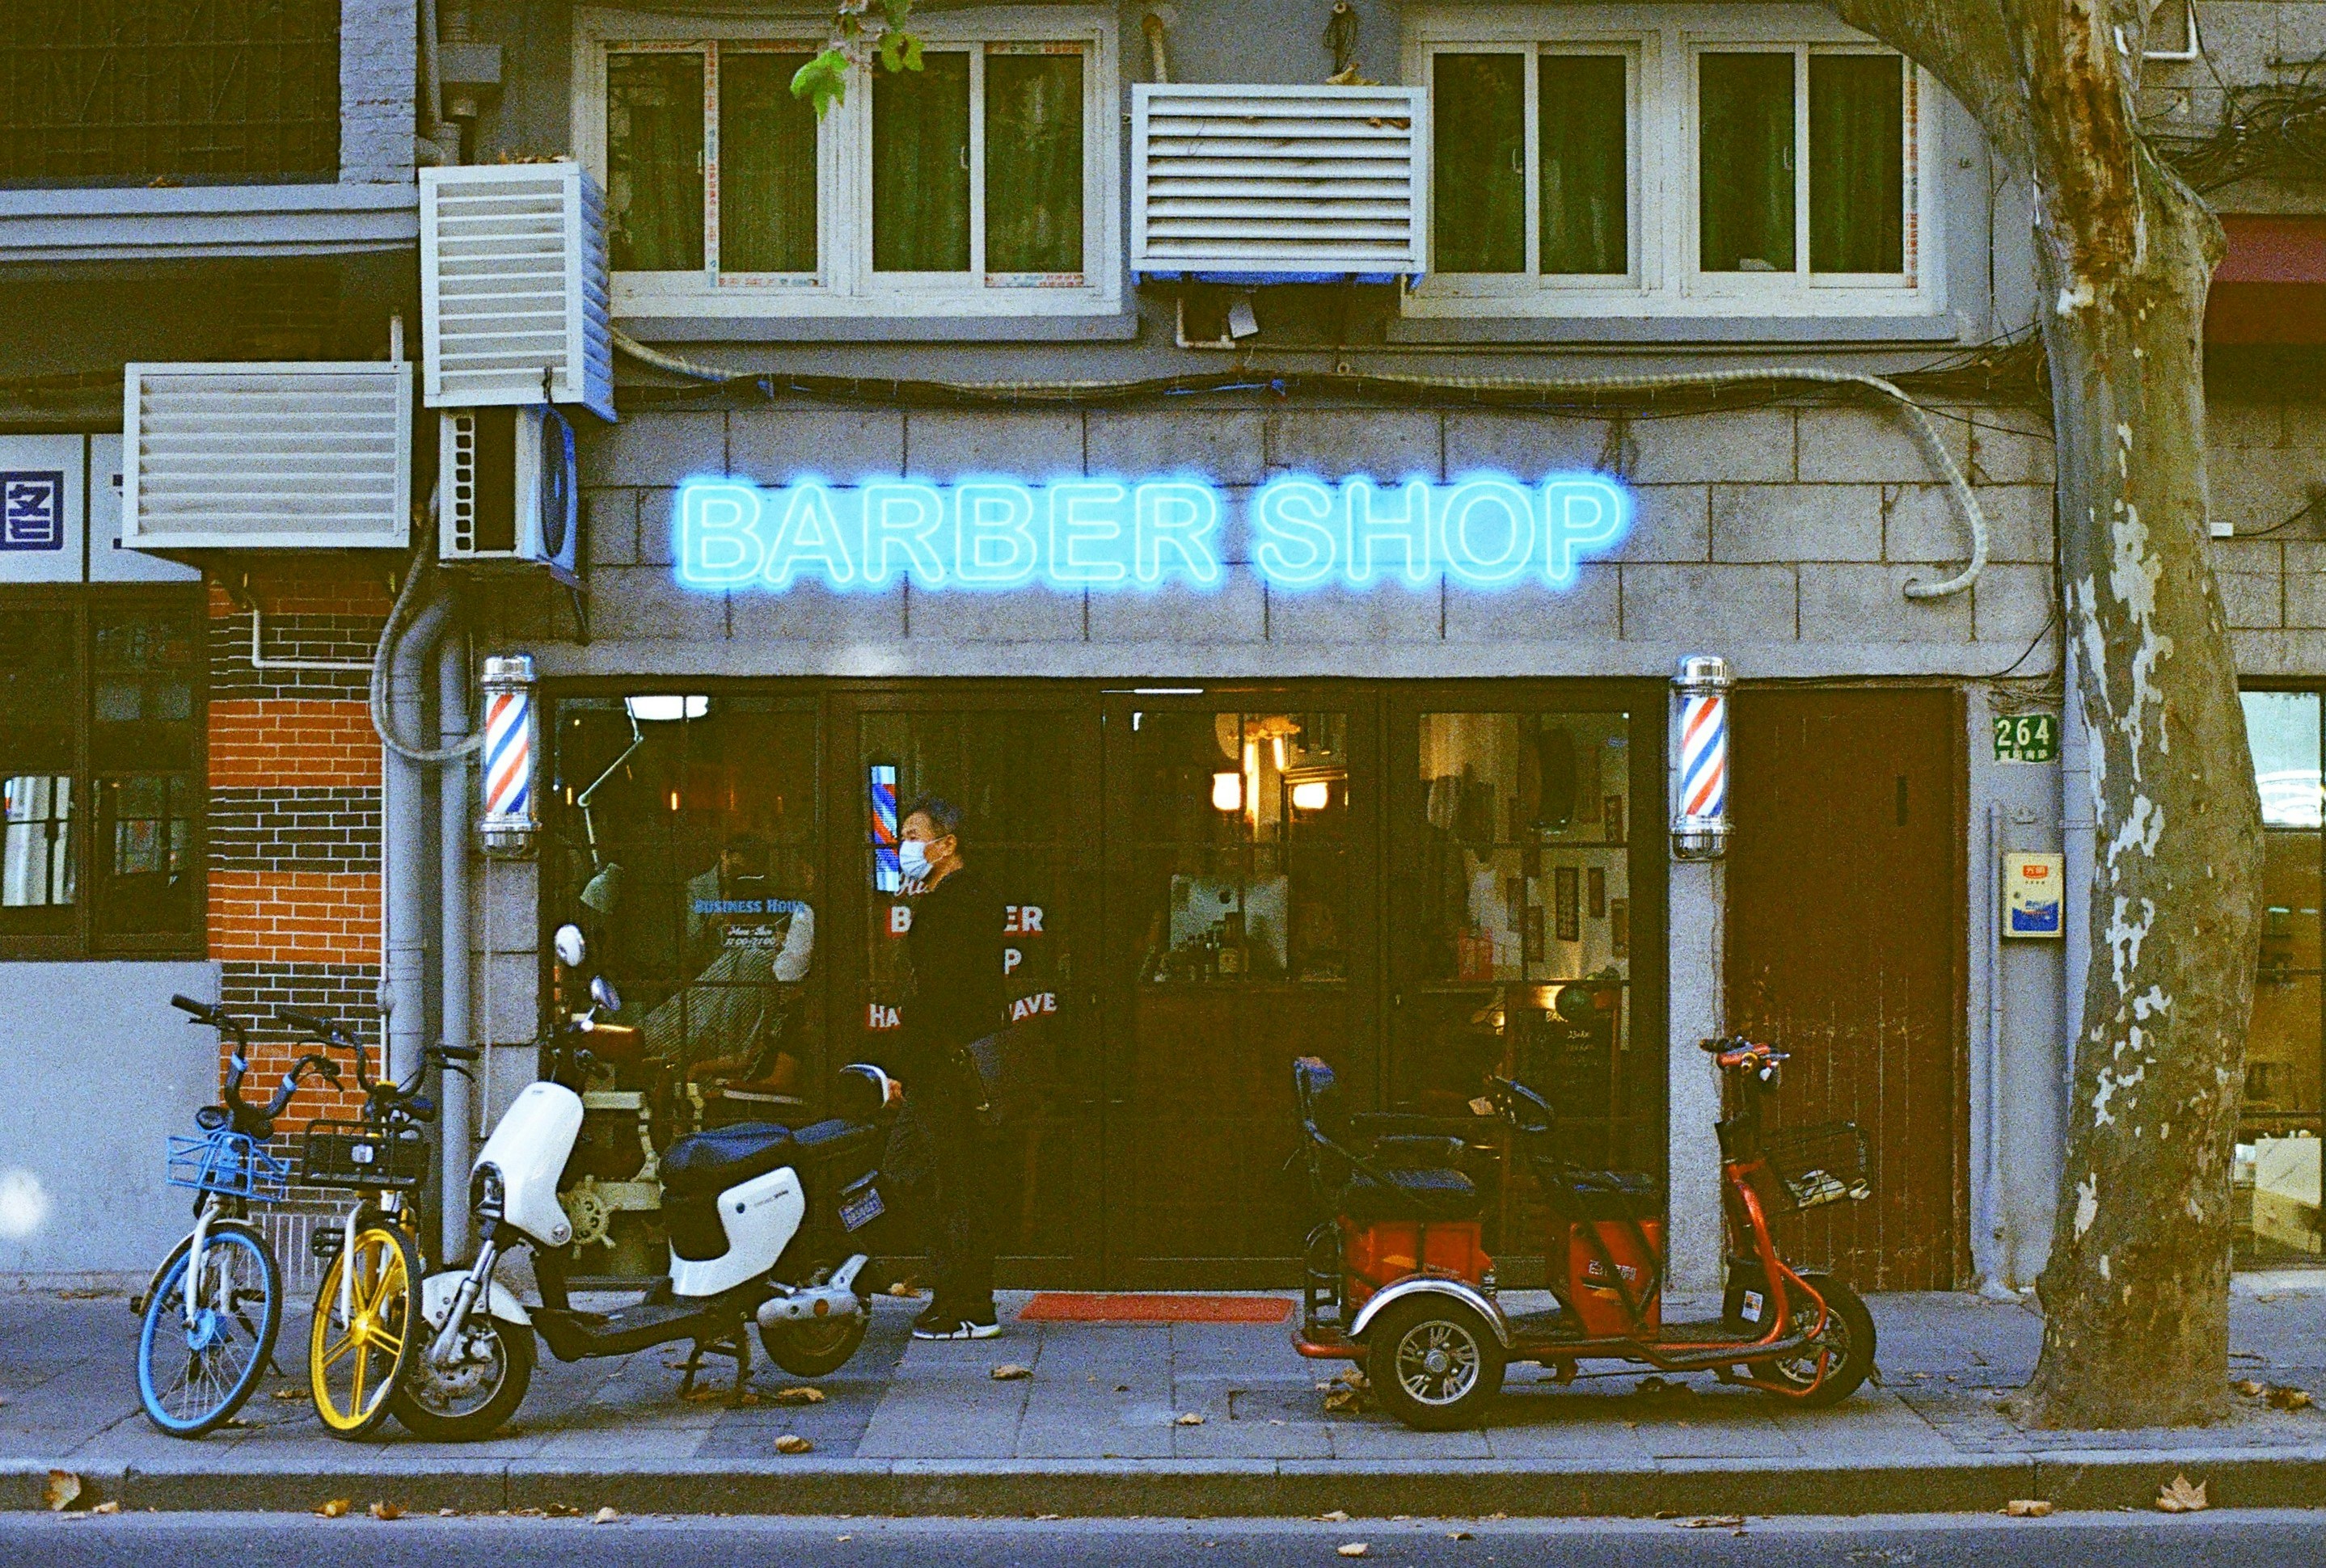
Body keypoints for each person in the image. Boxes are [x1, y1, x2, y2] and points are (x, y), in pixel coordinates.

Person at [886, 795, 1006, 1340]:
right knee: (914, 1170)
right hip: (935, 1063)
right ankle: (956, 1291)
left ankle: (966, 1304)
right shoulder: (946, 899)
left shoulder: (961, 901)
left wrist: (913, 1048)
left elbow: (943, 990)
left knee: (952, 1181)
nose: (904, 845)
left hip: (948, 1063)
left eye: (914, 834)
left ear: (947, 843)